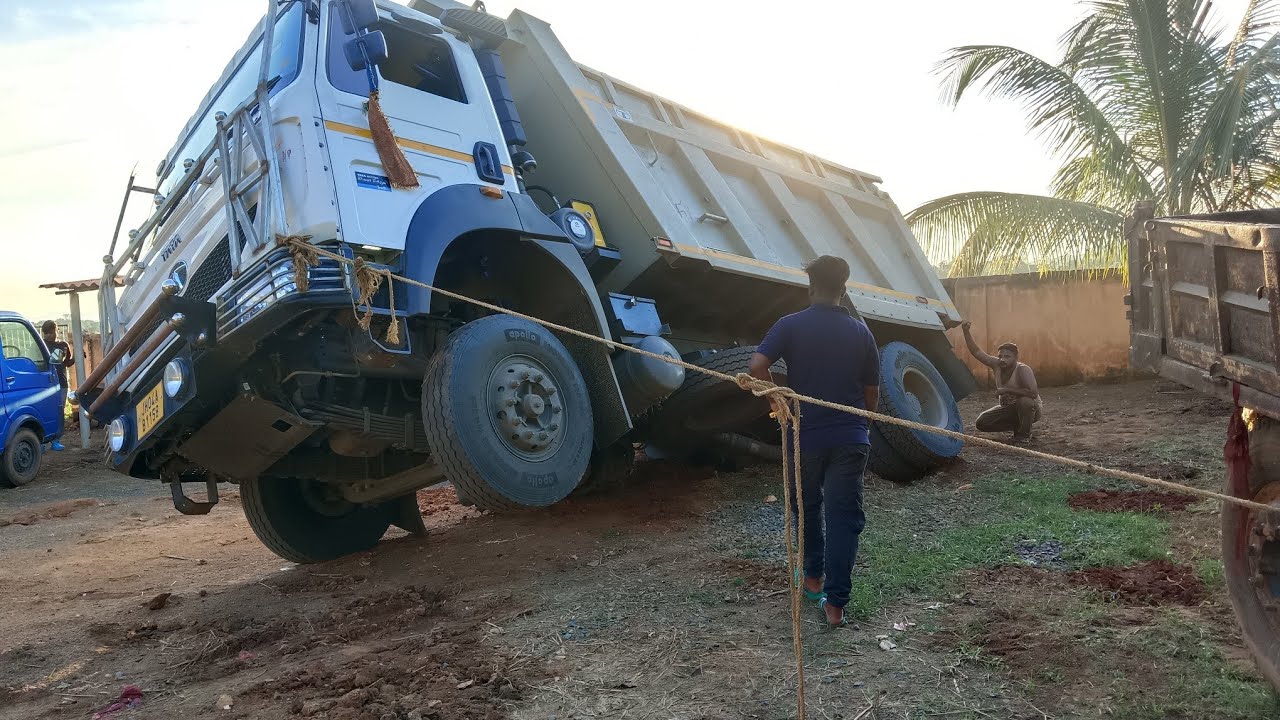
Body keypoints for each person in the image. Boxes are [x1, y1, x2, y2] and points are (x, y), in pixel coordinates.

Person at [748, 255, 880, 628]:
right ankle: (836, 606)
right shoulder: (861, 332)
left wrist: (781, 397)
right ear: (844, 287)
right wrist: (863, 425)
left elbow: (756, 367)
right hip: (851, 436)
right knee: (844, 518)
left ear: (811, 286)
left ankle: (811, 580)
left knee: (806, 508)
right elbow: (872, 391)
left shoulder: (790, 325)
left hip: (804, 436)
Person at [957, 321, 1041, 443]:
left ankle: (1023, 437)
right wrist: (966, 332)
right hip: (1008, 409)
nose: (1002, 359)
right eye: (1000, 356)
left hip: (1031, 410)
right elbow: (976, 352)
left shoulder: (1023, 369)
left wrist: (1006, 390)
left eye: (1007, 356)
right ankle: (1019, 426)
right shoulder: (996, 365)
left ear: (1016, 358)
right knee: (982, 423)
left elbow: (1033, 393)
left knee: (1025, 402)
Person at [41, 320, 73, 452]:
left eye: (51, 332)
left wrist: (77, 358)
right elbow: (50, 362)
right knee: (44, 411)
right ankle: (41, 442)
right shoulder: (41, 345)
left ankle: (56, 440)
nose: (49, 335)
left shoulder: (63, 345)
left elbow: (65, 363)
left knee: (59, 412)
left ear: (56, 330)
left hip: (61, 383)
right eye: (47, 333)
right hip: (45, 384)